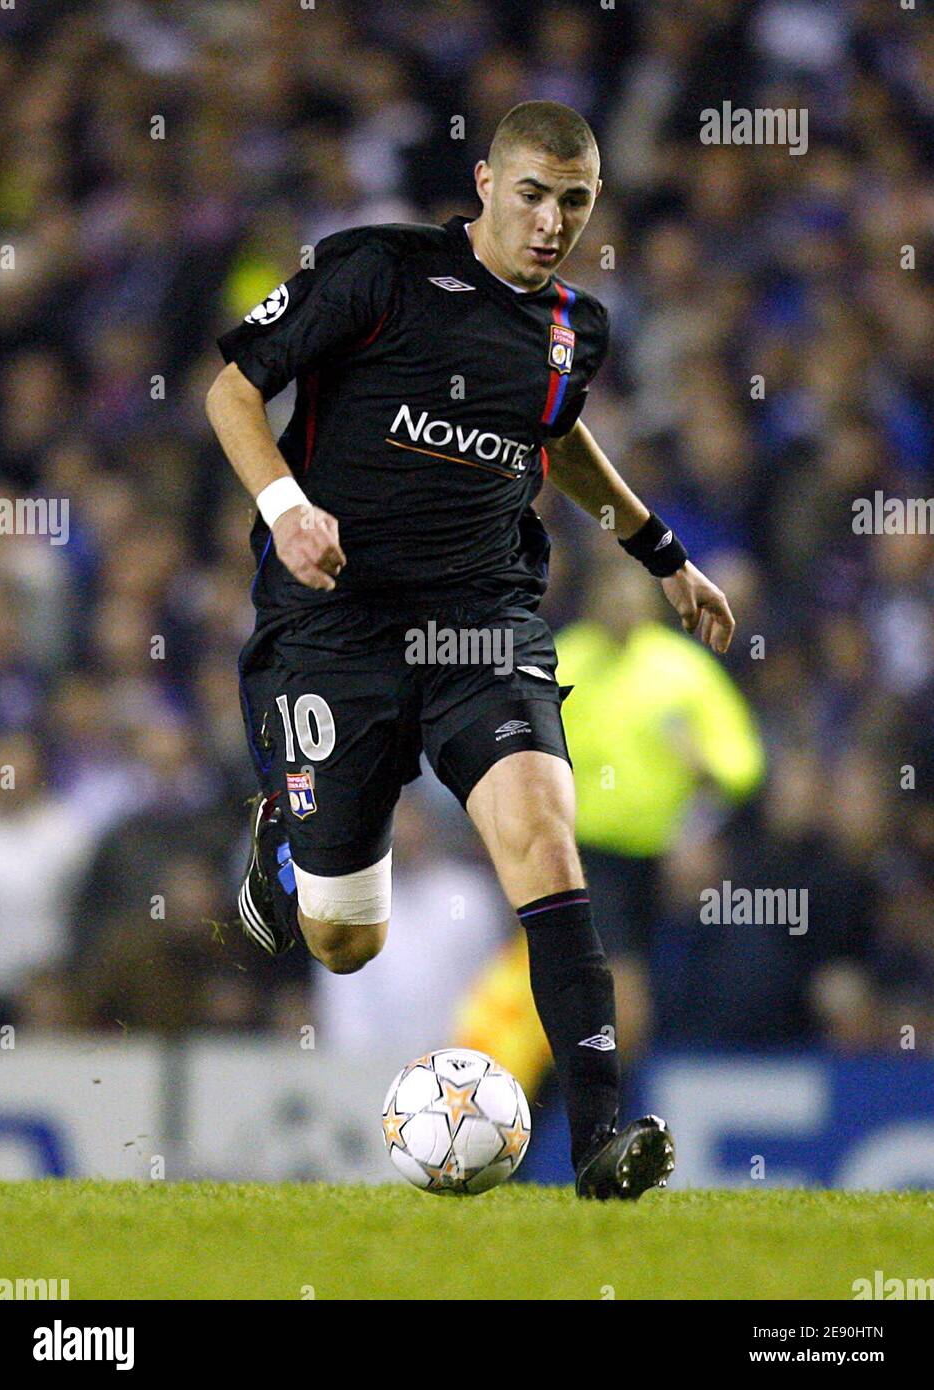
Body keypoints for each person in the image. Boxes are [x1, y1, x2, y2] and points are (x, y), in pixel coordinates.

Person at [205, 100, 735, 1200]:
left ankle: (599, 1139)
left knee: (545, 837)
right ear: (487, 185)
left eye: (576, 202)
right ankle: (288, 833)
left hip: (482, 624)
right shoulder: (376, 271)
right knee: (345, 939)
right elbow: (232, 388)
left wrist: (660, 549)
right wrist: (287, 503)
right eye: (534, 194)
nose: (552, 223)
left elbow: (558, 434)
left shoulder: (573, 328)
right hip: (337, 623)